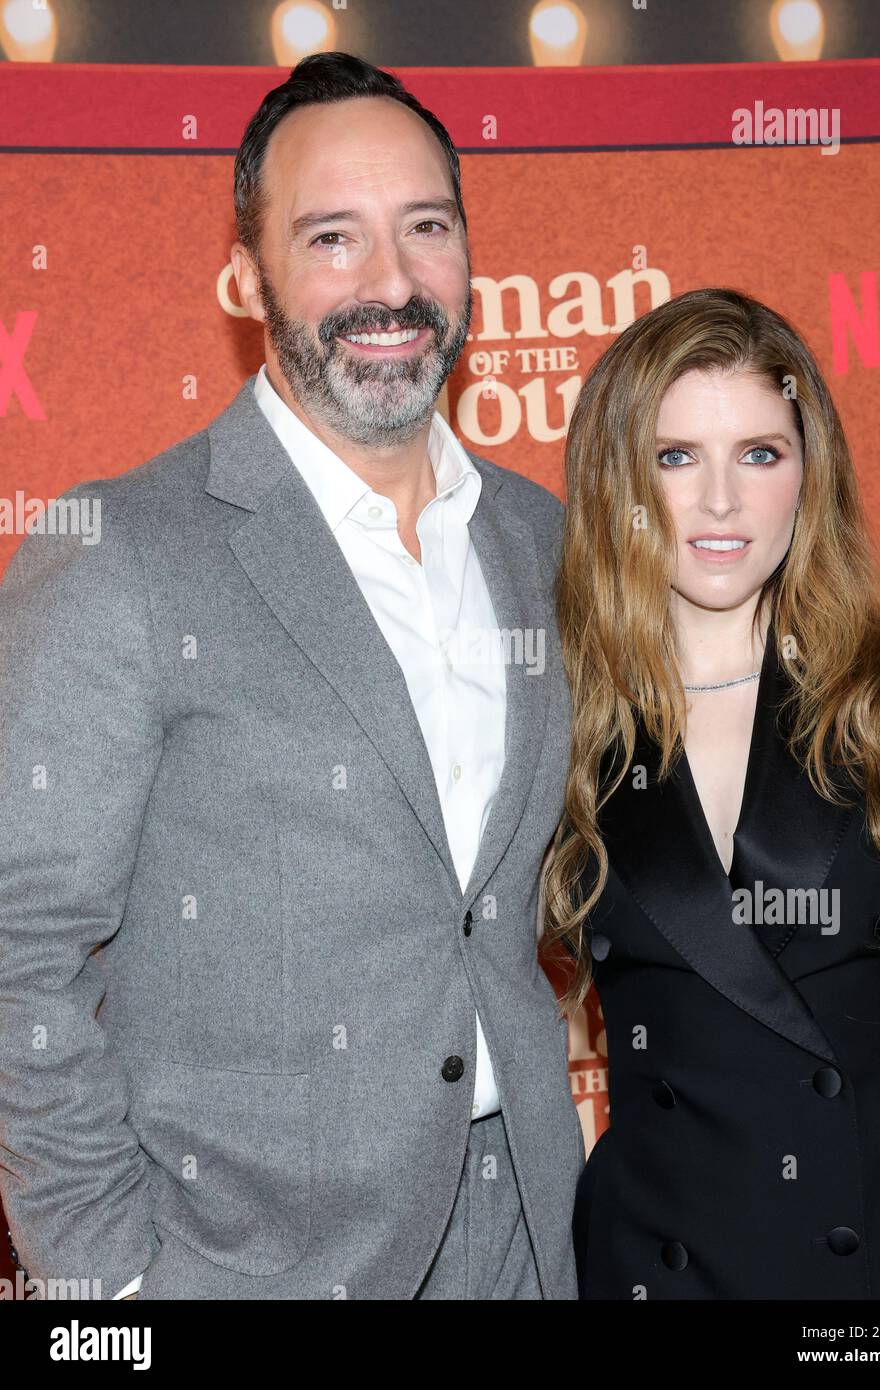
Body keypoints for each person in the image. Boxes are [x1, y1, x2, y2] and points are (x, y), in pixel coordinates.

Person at [0, 52, 583, 1301]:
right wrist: (110, 1283)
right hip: (243, 1262)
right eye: (333, 238)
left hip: (532, 1235)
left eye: (425, 227)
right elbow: (16, 944)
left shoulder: (539, 538)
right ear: (245, 277)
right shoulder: (122, 553)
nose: (391, 282)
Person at [542, 287, 880, 1300]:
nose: (720, 503)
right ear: (621, 478)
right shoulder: (569, 720)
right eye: (676, 455)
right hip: (655, 1263)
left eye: (759, 453)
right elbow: (539, 1037)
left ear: (807, 470)